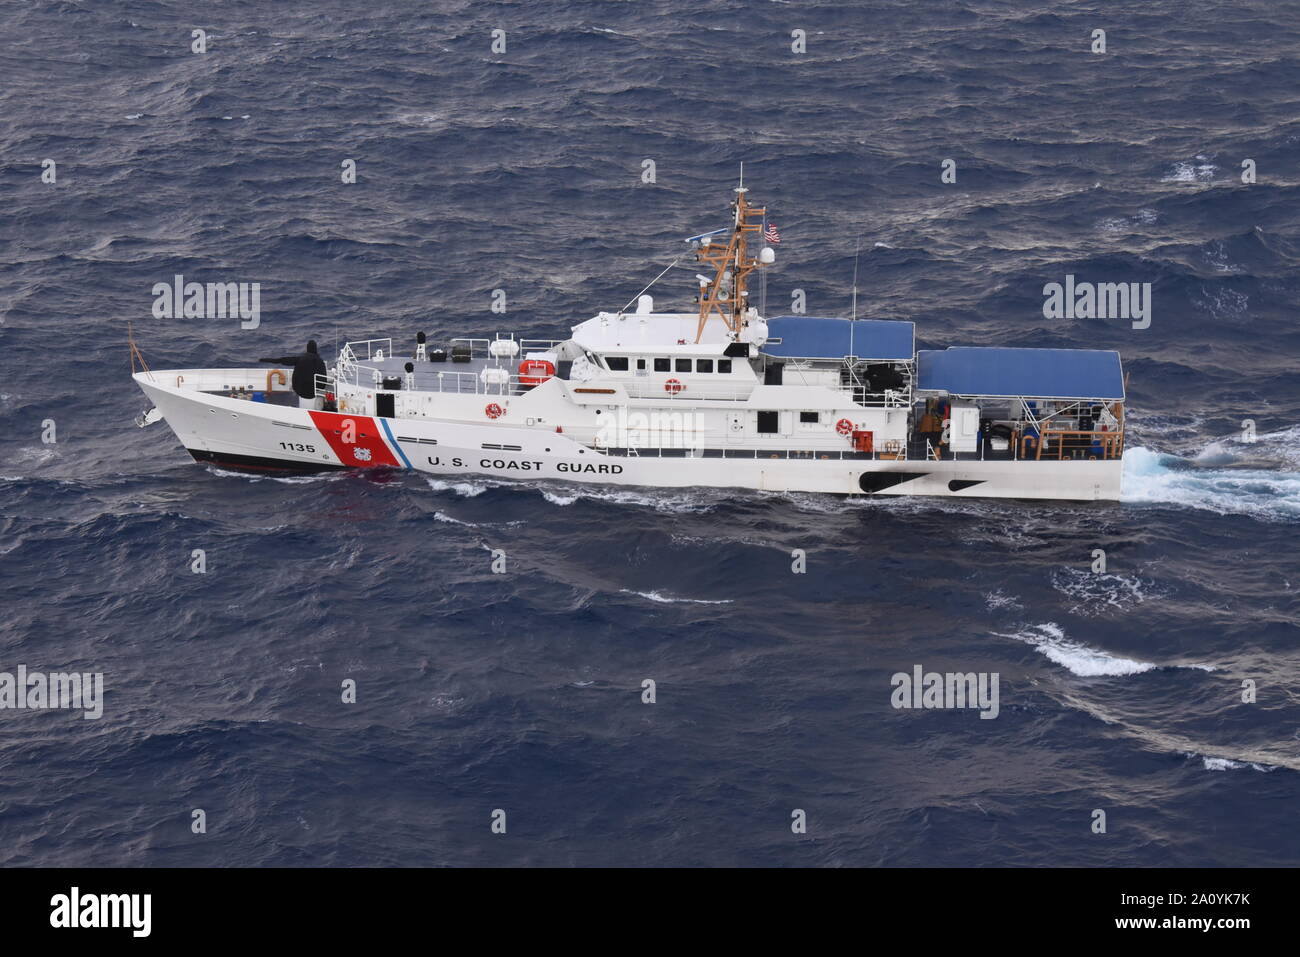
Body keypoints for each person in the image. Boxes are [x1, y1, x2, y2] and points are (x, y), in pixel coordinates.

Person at [260, 340, 328, 409]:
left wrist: (263, 359)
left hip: (299, 391)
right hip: (315, 392)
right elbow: (323, 379)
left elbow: (280, 360)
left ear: (307, 349)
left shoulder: (300, 359)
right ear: (316, 349)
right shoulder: (320, 362)